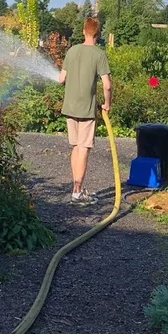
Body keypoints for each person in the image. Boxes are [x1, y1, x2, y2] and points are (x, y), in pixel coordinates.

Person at [57, 17, 112, 205]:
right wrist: (107, 104)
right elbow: (107, 85)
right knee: (83, 149)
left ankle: (76, 189)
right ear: (98, 33)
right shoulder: (99, 54)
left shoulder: (72, 51)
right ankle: (78, 192)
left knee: (75, 147)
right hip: (87, 110)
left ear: (83, 31)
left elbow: (61, 79)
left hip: (70, 108)